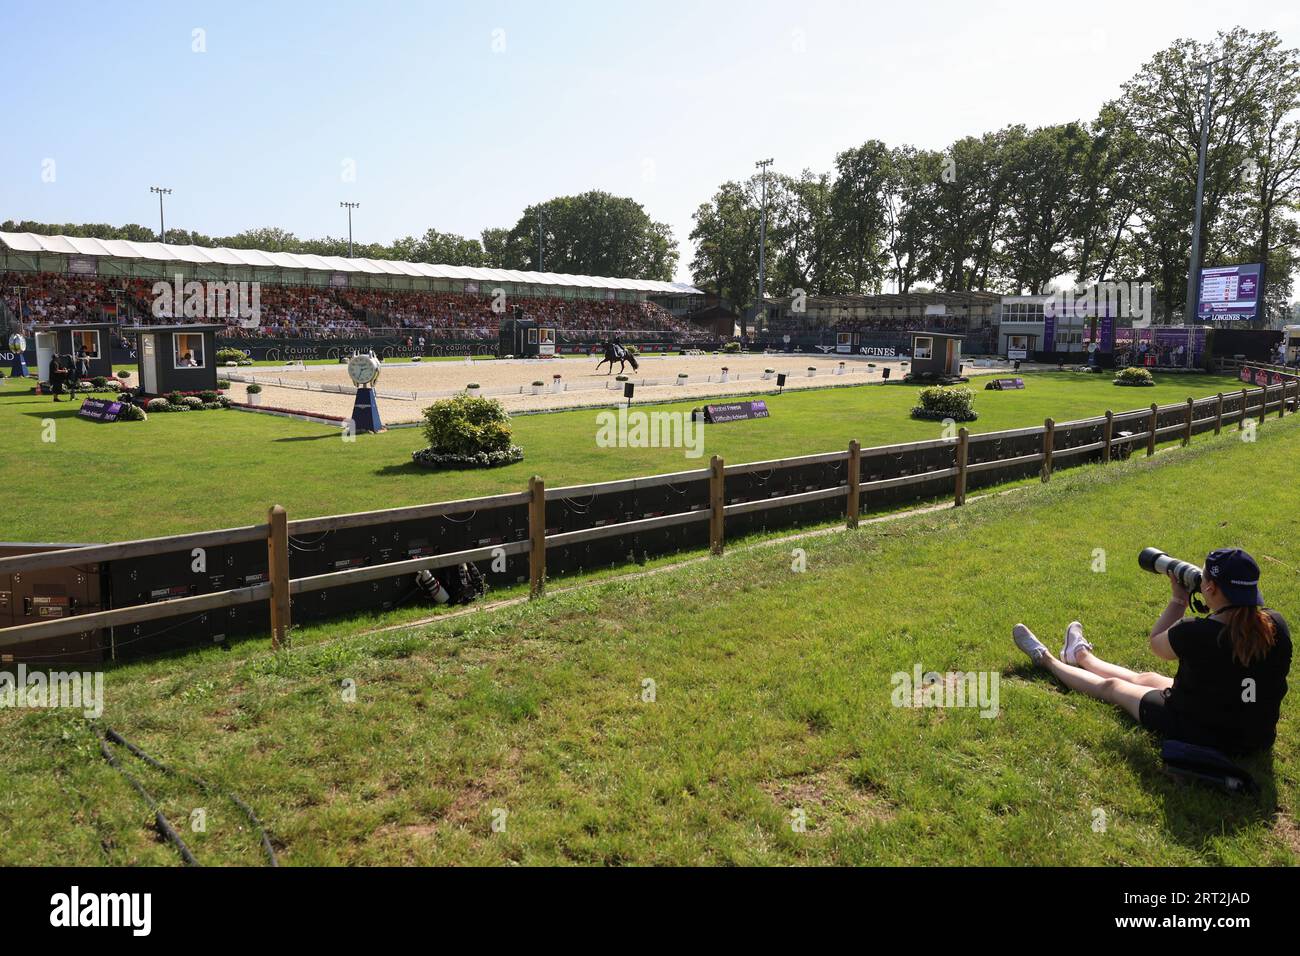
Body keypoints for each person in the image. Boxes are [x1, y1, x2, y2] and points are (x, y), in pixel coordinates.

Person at [1013, 548, 1291, 754]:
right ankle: (1081, 656)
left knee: (1112, 687)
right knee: (1145, 678)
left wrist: (1178, 600)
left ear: (1210, 587)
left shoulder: (1196, 632)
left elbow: (1157, 644)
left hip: (1197, 729)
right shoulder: (1276, 624)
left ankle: (1046, 659)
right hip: (1254, 737)